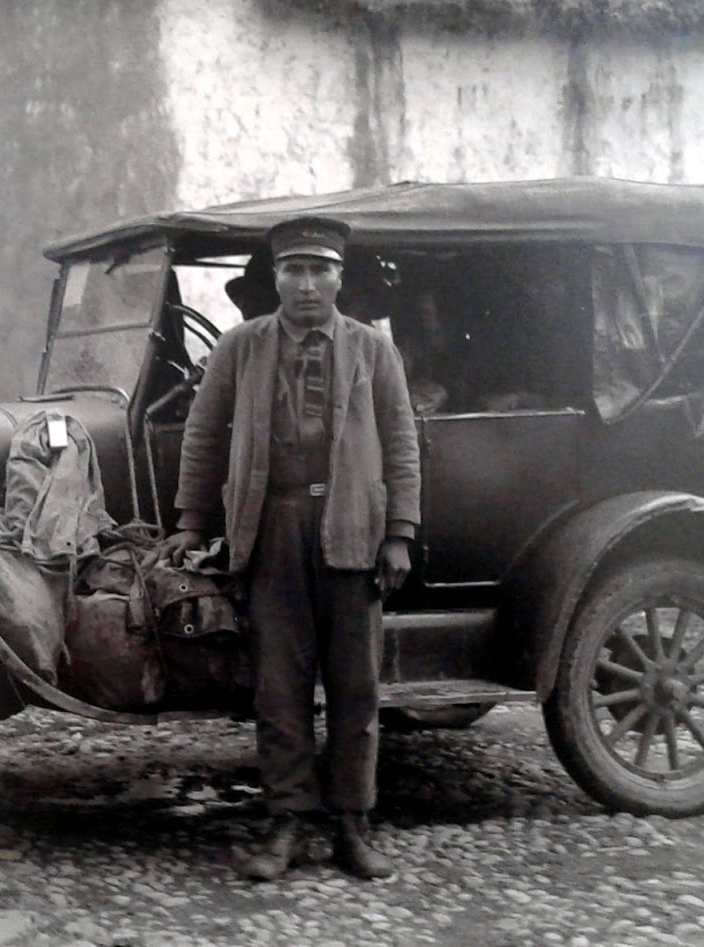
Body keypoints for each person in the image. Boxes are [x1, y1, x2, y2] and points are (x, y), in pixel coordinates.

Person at [156, 216, 420, 881]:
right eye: (293, 271)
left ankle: (353, 825)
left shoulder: (371, 350)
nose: (306, 285)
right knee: (279, 687)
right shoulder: (241, 348)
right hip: (271, 527)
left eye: (319, 270)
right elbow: (202, 433)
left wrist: (400, 533)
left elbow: (402, 442)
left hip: (353, 527)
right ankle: (284, 824)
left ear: (339, 277)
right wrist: (191, 520)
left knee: (357, 688)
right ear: (274, 278)